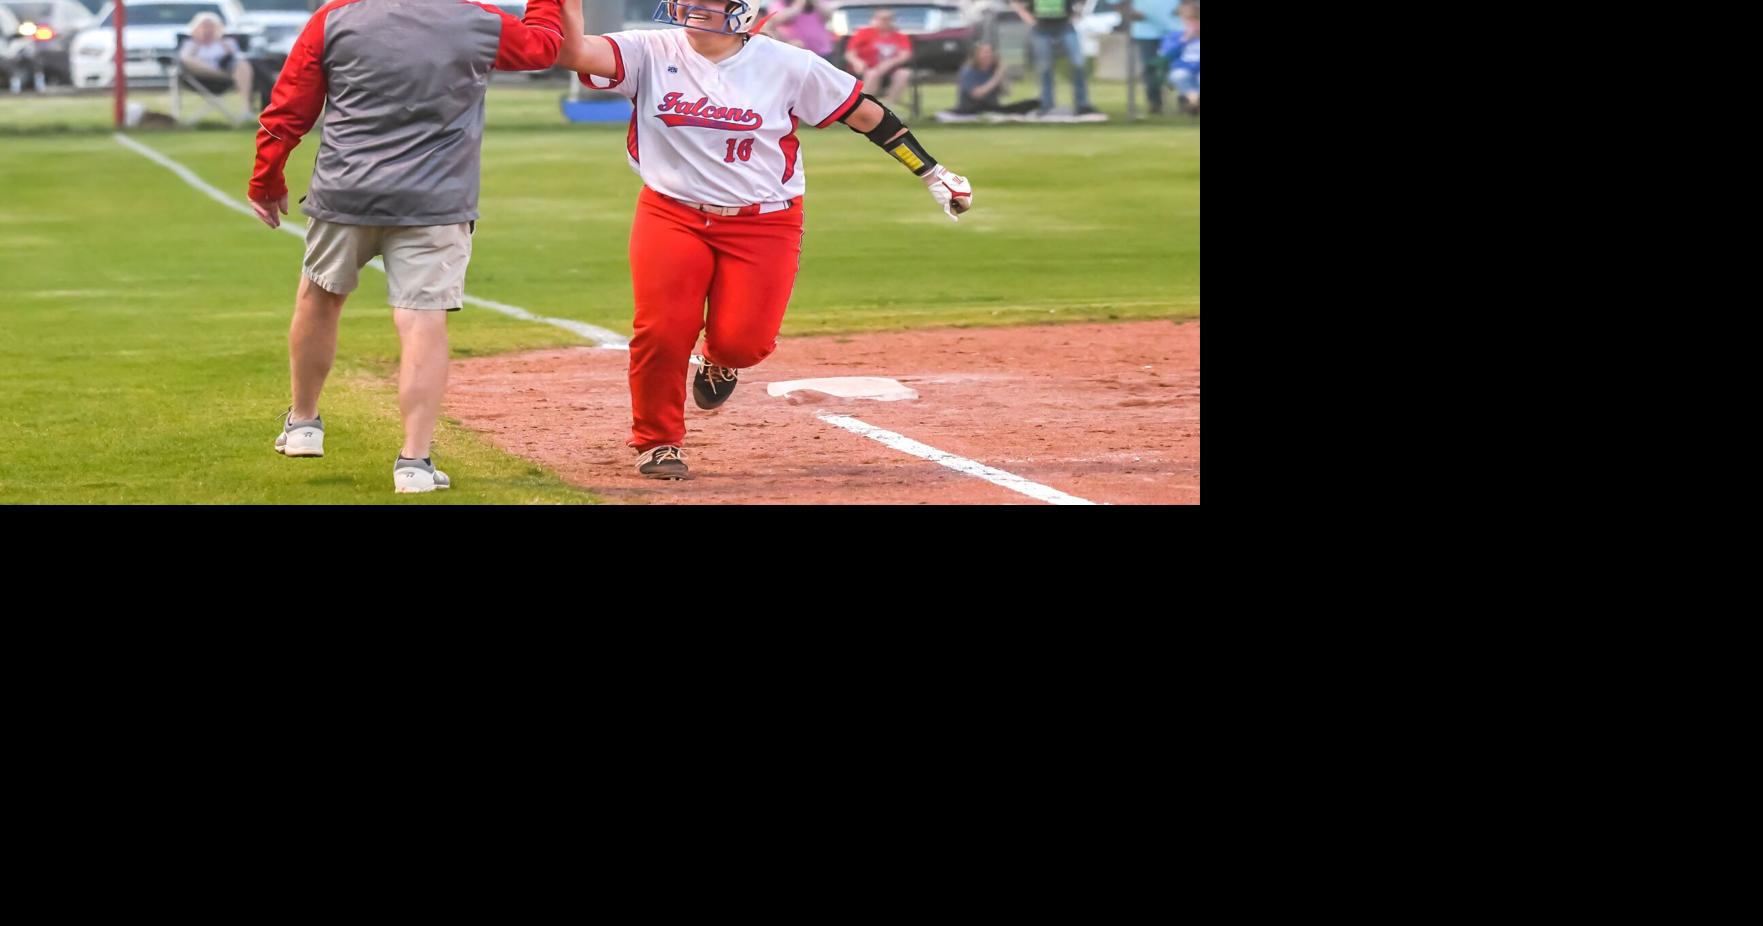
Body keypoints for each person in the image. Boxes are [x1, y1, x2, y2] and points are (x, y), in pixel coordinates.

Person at [554, 0, 973, 480]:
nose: (693, 13)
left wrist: (931, 171)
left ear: (744, 14)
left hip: (765, 221)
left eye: (708, 6)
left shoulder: (788, 64)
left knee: (744, 343)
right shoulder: (649, 49)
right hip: (672, 211)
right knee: (662, 330)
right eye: (689, 3)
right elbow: (574, 53)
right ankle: (658, 441)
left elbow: (864, 115)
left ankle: (720, 360)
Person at [247, 0, 567, 494]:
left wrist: (266, 178)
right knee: (422, 318)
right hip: (436, 200)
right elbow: (543, 48)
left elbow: (290, 108)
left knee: (319, 296)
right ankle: (414, 463)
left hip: (346, 193)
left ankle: (304, 422)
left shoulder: (334, 17)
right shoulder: (479, 20)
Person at [1009, 0, 1096, 116]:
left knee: (1078, 63)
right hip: (1041, 28)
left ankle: (1082, 104)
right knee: (1044, 67)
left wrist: (1077, 14)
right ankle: (1047, 104)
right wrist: (1028, 18)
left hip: (1065, 25)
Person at [941, 41, 1038, 119]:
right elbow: (977, 94)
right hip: (972, 109)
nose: (989, 55)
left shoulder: (994, 69)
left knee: (1032, 103)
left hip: (992, 108)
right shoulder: (968, 71)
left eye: (990, 52)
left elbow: (1007, 92)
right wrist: (996, 77)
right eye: (985, 52)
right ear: (976, 55)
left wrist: (1002, 76)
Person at [179, 12, 254, 109]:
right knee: (188, 60)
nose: (207, 30)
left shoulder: (228, 42)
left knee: (242, 64)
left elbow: (237, 58)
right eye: (204, 26)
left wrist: (224, 45)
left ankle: (247, 107)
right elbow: (185, 59)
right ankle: (218, 73)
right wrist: (197, 44)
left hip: (227, 77)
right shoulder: (190, 44)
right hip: (199, 78)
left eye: (211, 27)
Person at [842, 7, 913, 107]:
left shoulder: (899, 36)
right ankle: (864, 106)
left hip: (890, 70)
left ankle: (889, 106)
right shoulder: (864, 33)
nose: (885, 22)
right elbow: (850, 54)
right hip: (865, 69)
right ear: (874, 19)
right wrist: (857, 62)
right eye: (882, 19)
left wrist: (890, 63)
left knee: (904, 73)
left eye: (889, 19)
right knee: (873, 73)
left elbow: (905, 54)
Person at [1128, 0, 1178, 115]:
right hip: (1145, 32)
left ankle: (1186, 99)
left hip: (1174, 30)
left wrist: (1185, 7)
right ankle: (1154, 102)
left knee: (1177, 66)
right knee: (1150, 67)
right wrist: (1128, 12)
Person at [761, 0, 834, 64]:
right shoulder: (779, 3)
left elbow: (829, 15)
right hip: (795, 55)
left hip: (822, 53)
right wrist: (799, 3)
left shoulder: (817, 3)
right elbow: (780, 17)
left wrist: (815, 3)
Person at [1159, 1, 1198, 114]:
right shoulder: (1174, 34)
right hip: (1181, 68)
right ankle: (1194, 99)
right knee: (1180, 76)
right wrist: (1184, 40)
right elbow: (1167, 55)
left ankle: (1193, 101)